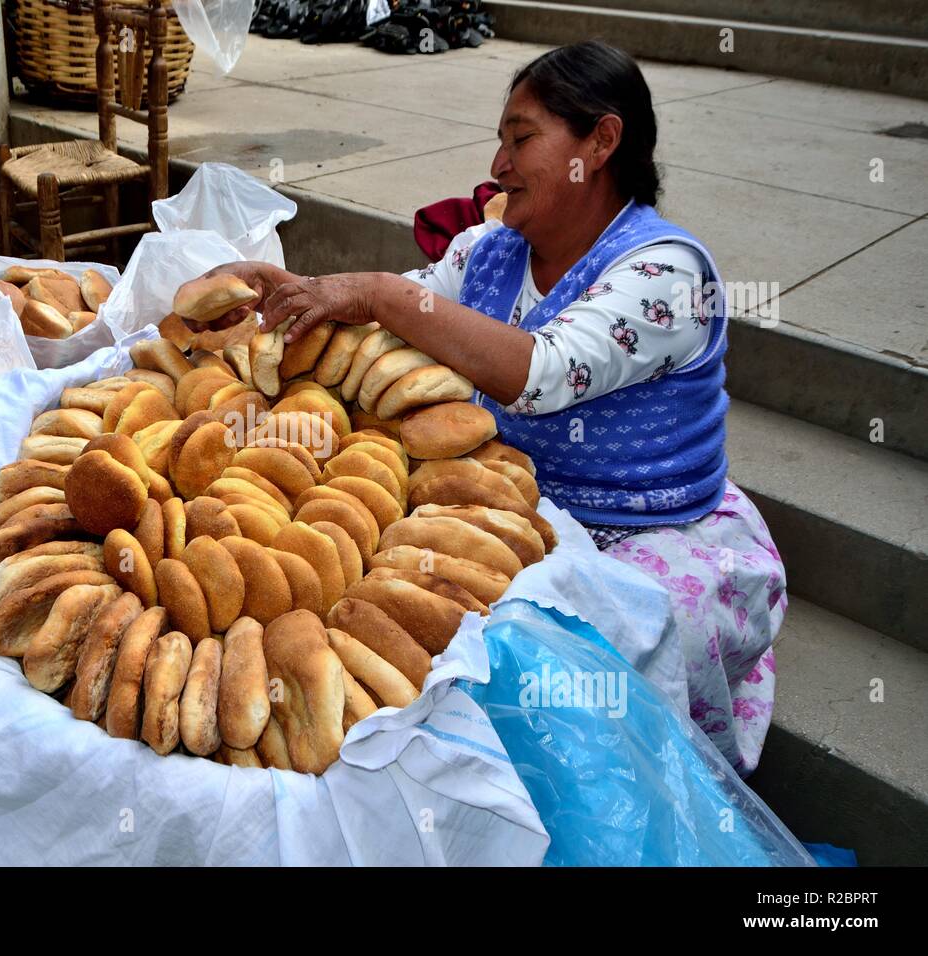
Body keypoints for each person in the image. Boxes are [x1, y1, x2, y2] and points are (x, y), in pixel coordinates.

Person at [187, 40, 785, 776]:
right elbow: (400, 316)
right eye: (500, 141)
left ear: (600, 141)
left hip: (643, 527)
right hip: (501, 506)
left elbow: (540, 373)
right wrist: (289, 289)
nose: (498, 166)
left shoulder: (666, 273)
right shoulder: (490, 251)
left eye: (521, 138)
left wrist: (376, 289)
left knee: (551, 692)